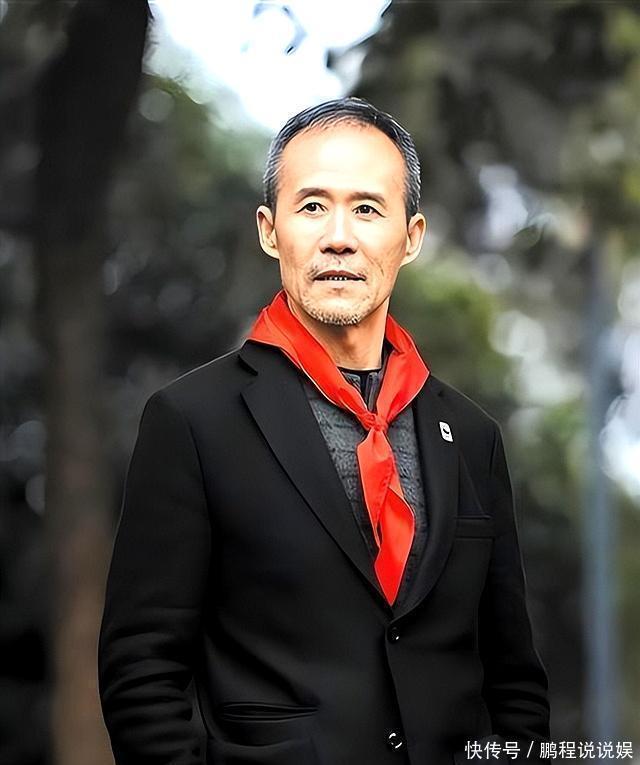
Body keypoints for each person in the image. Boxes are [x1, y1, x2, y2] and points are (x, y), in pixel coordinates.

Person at [98, 97, 550, 765]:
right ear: (269, 230)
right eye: (312, 206)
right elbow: (142, 672)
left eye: (367, 208)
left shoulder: (471, 435)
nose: (339, 236)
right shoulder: (192, 421)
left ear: (412, 236)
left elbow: (514, 679)